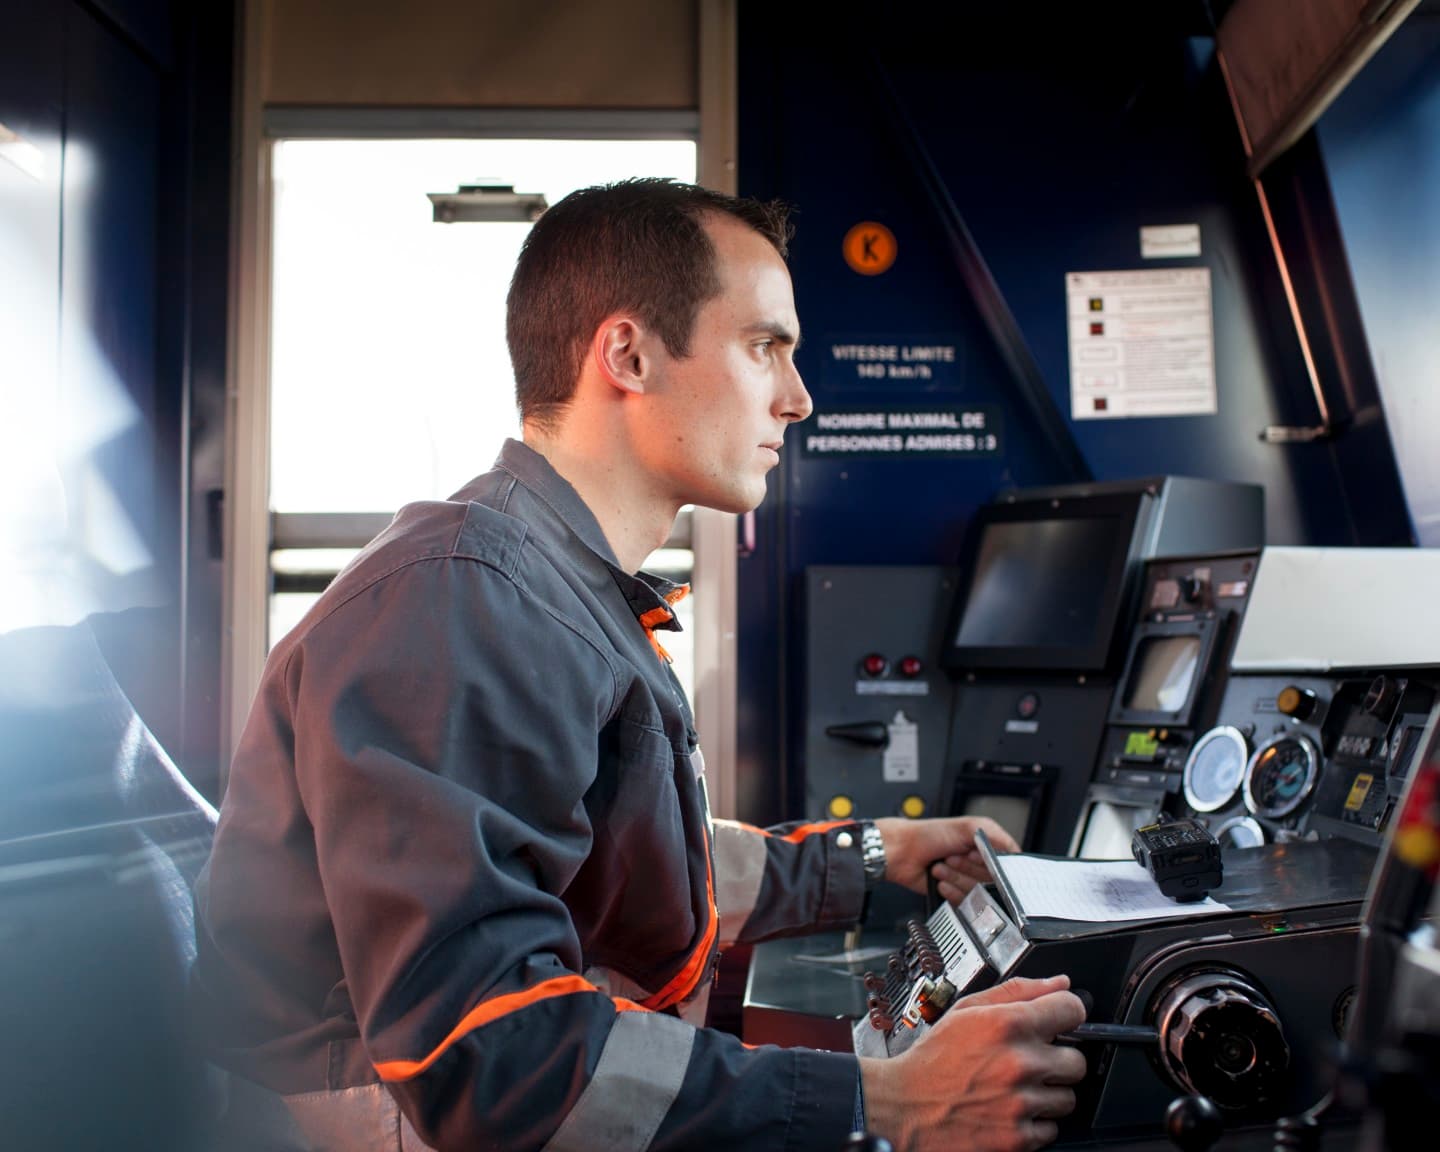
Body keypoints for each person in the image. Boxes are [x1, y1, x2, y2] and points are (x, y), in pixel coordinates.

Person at [190, 177, 1087, 1152]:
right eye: (764, 347)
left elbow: (619, 857)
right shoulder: (465, 598)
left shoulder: (551, 580)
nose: (799, 397)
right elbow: (486, 1054)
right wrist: (890, 1106)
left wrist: (869, 860)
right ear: (628, 354)